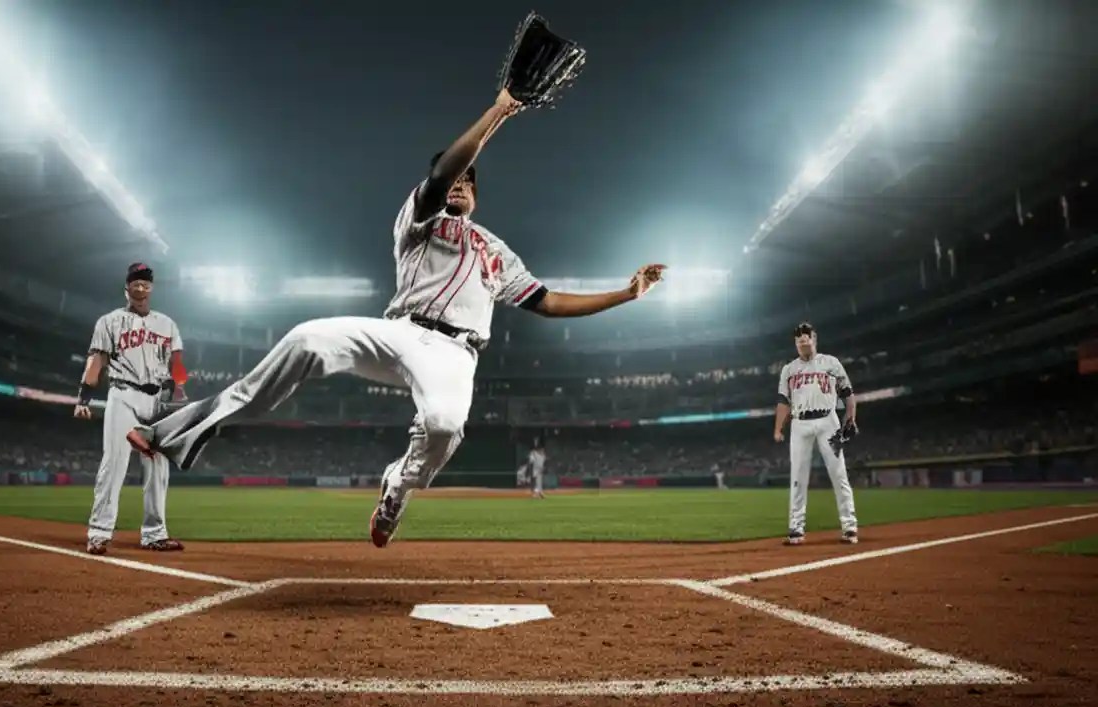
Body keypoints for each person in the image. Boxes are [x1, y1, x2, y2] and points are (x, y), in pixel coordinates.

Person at [127, 87, 665, 547]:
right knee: (307, 338)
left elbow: (547, 301)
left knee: (443, 425)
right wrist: (500, 109)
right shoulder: (420, 218)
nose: (460, 183)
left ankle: (396, 490)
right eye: (457, 176)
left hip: (456, 355)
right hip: (399, 332)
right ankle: (178, 432)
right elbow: (442, 171)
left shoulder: (498, 252)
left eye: (470, 181)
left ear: (478, 195)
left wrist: (627, 293)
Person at [75, 262, 188, 555]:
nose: (141, 288)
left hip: (156, 401)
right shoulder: (109, 322)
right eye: (136, 283)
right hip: (123, 394)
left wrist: (180, 389)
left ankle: (155, 534)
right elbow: (96, 362)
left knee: (158, 466)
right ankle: (99, 533)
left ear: (152, 288)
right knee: (115, 464)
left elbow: (176, 364)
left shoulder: (167, 324)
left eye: (146, 283)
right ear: (126, 288)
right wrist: (83, 397)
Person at [772, 322, 859, 545]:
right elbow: (783, 400)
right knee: (798, 477)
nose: (802, 340)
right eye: (798, 338)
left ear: (814, 339)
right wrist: (778, 427)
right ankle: (796, 529)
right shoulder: (789, 369)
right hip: (800, 424)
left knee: (838, 473)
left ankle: (850, 527)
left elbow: (848, 393)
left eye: (806, 336)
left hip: (829, 421)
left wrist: (851, 417)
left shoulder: (831, 363)